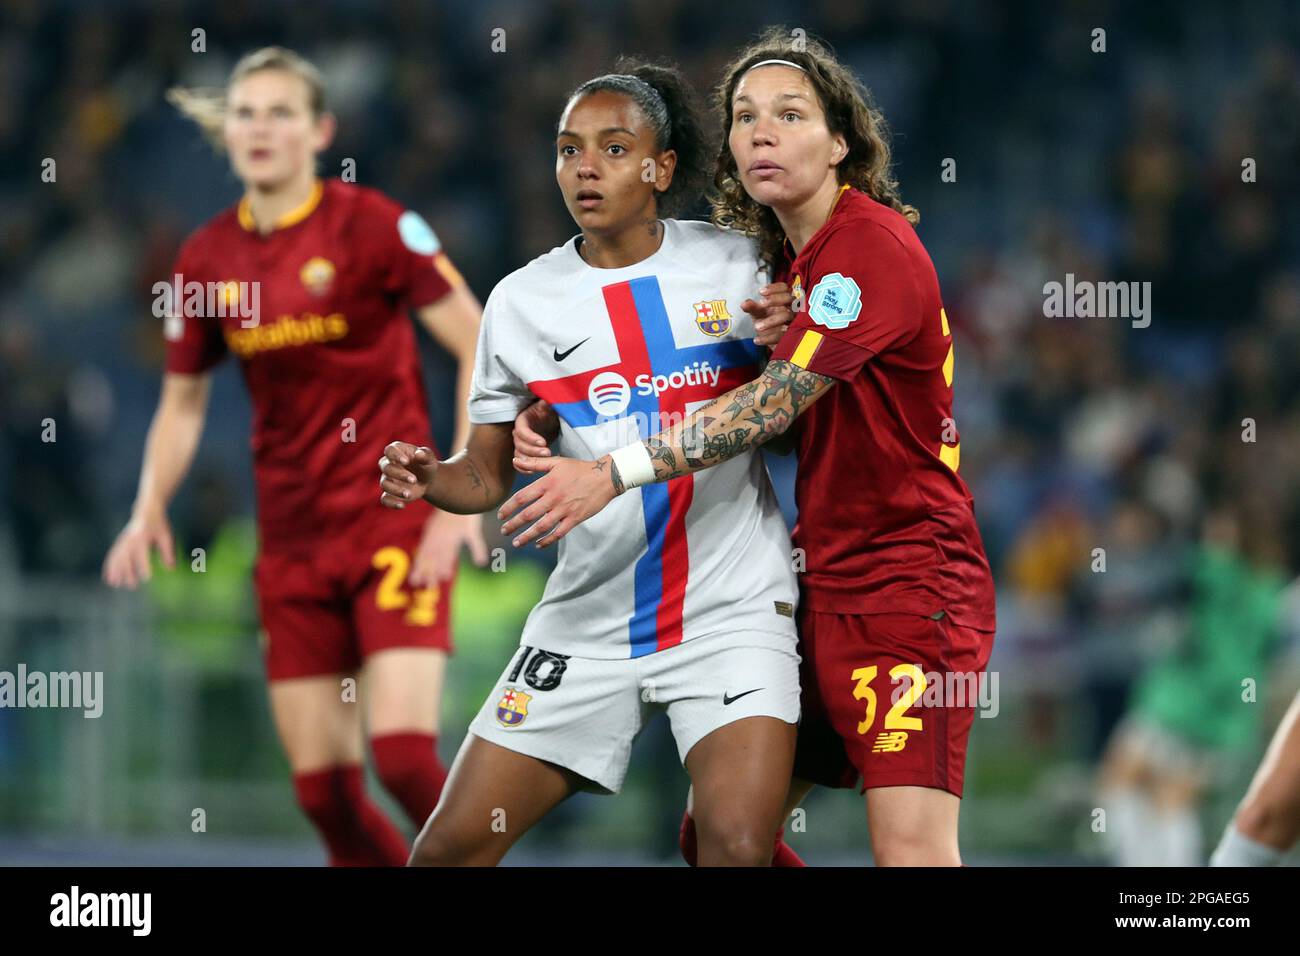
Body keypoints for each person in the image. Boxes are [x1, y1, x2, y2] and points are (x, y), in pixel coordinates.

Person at [499, 30, 998, 866]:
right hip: (820, 584)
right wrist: (555, 413)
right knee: (723, 838)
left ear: (841, 142)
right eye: (744, 116)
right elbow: (747, 397)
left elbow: (770, 410)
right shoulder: (792, 270)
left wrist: (612, 470)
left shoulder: (862, 247)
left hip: (910, 590)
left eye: (790, 114)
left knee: (911, 853)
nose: (762, 131)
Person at [380, 59, 803, 866]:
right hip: (589, 620)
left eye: (613, 148)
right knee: (446, 851)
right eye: (569, 149)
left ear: (661, 167)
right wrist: (432, 478)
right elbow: (487, 472)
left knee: (737, 847)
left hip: (732, 609)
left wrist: (781, 347)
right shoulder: (520, 302)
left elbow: (782, 429)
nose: (585, 168)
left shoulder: (739, 263)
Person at [103, 47, 486, 866]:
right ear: (228, 133)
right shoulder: (205, 261)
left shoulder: (376, 226)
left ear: (320, 130)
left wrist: (461, 491)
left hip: (391, 518)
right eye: (245, 113)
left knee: (406, 760)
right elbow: (183, 401)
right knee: (323, 794)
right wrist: (147, 508)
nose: (260, 128)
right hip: (292, 539)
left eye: (281, 112)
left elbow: (478, 340)